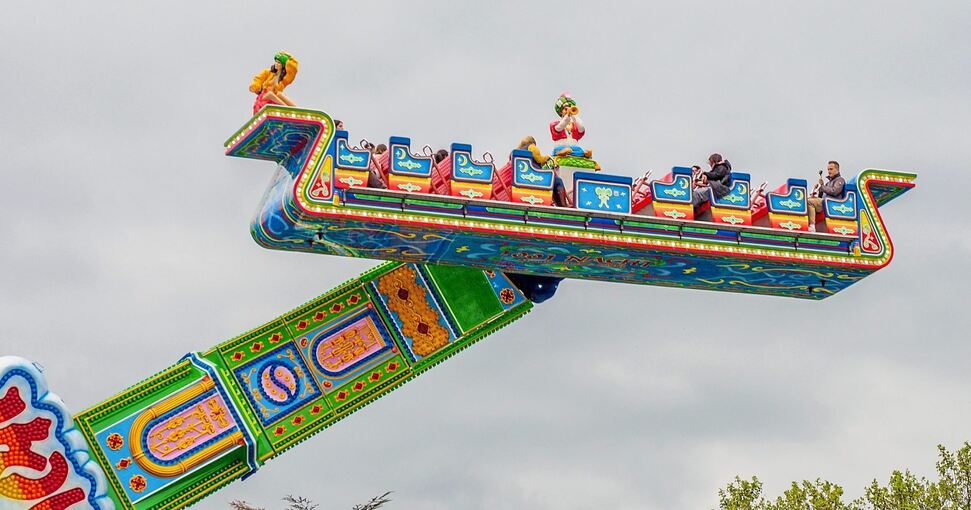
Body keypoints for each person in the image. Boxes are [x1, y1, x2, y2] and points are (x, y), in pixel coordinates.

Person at [807, 160, 846, 232]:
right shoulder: (828, 183)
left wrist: (822, 187)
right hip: (825, 203)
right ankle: (809, 224)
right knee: (808, 199)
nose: (829, 171)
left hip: (832, 204)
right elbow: (821, 197)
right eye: (828, 169)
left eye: (831, 169)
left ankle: (812, 225)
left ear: (837, 170)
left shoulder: (840, 180)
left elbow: (834, 191)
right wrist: (819, 188)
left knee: (810, 201)